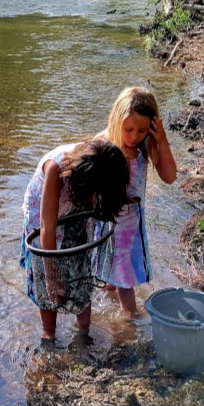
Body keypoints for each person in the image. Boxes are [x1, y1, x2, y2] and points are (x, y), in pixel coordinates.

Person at [20, 138, 130, 340]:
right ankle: (49, 333)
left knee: (81, 267)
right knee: (46, 280)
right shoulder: (56, 169)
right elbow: (47, 229)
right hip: (44, 218)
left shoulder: (104, 161)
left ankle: (84, 331)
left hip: (77, 205)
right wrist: (52, 278)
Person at [97, 86, 178, 319]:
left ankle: (109, 305)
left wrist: (161, 140)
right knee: (125, 278)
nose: (134, 136)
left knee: (118, 273)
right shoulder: (104, 144)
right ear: (116, 121)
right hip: (110, 222)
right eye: (128, 129)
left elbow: (170, 177)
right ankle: (130, 319)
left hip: (132, 225)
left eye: (142, 130)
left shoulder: (146, 146)